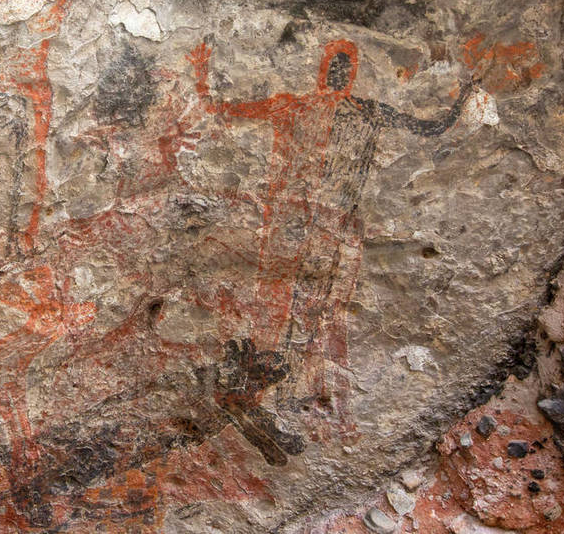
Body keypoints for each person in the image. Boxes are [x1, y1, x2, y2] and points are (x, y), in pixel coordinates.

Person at [189, 39, 474, 437]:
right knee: (277, 302)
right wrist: (201, 74)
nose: (339, 73)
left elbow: (430, 127)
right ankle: (260, 388)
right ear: (324, 69)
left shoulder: (366, 111)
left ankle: (304, 395)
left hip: (333, 229)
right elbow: (224, 109)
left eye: (346, 67)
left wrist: (464, 96)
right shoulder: (294, 104)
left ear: (351, 72)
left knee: (320, 308)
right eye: (334, 65)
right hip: (291, 223)